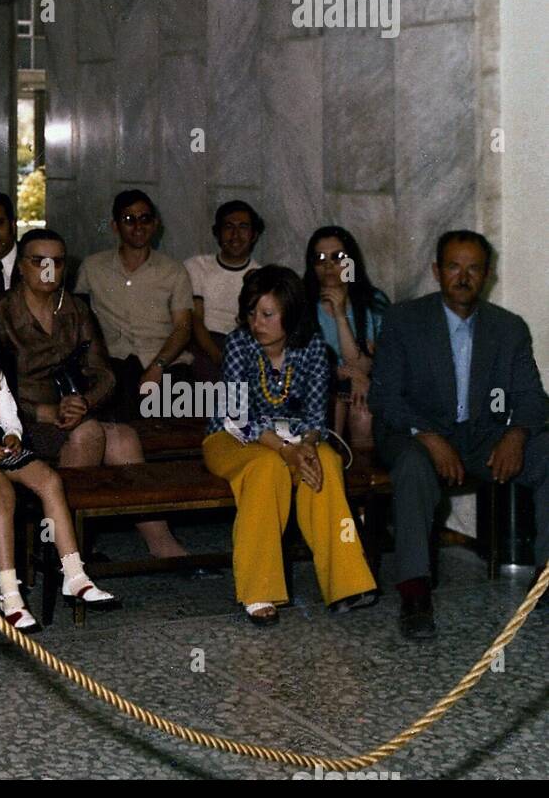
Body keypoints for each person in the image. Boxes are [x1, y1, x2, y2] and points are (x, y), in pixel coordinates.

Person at [370, 231, 549, 640]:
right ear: (437, 271)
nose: (463, 277)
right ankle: (415, 592)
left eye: (473, 268)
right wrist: (429, 436)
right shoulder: (403, 320)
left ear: (487, 275)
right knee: (414, 466)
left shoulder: (508, 328)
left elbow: (533, 399)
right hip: (413, 434)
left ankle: (545, 578)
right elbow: (384, 397)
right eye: (453, 266)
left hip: (482, 438)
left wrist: (517, 434)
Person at [0, 229, 186, 561]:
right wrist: (46, 411)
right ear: (21, 267)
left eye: (57, 261)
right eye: (39, 261)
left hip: (72, 412)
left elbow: (104, 373)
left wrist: (85, 403)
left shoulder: (76, 309)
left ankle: (161, 543)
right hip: (19, 420)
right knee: (89, 433)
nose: (49, 269)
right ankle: (60, 548)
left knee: (123, 437)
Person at [0, 297, 116, 629]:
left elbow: (10, 416)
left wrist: (12, 435)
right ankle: (10, 594)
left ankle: (74, 574)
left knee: (50, 481)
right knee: (2, 492)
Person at [204, 265, 378, 627]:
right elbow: (238, 416)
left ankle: (346, 582)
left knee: (327, 463)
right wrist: (284, 450)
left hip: (294, 440)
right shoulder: (239, 344)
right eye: (252, 313)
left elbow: (316, 416)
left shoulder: (314, 347)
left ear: (291, 315)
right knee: (267, 468)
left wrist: (309, 446)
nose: (257, 322)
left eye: (267, 314)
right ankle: (258, 590)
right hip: (233, 437)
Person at [76, 190, 195, 420]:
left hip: (165, 362)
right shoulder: (92, 267)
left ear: (155, 223)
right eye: (129, 219)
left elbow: (183, 327)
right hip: (113, 363)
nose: (138, 226)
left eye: (145, 218)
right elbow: (77, 317)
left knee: (180, 411)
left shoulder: (174, 271)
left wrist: (157, 367)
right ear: (115, 226)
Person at [303, 225, 388, 448]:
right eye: (320, 258)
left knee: (362, 413)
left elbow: (363, 365)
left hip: (362, 387)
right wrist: (335, 372)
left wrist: (341, 314)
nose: (329, 265)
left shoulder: (372, 302)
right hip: (318, 388)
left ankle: (359, 474)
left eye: (338, 257)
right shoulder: (303, 303)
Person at [184, 200, 264, 378]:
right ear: (218, 233)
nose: (235, 235)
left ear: (254, 235)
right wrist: (218, 356)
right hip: (203, 343)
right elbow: (195, 318)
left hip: (242, 344)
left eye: (243, 227)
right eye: (228, 227)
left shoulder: (261, 275)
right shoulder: (196, 266)